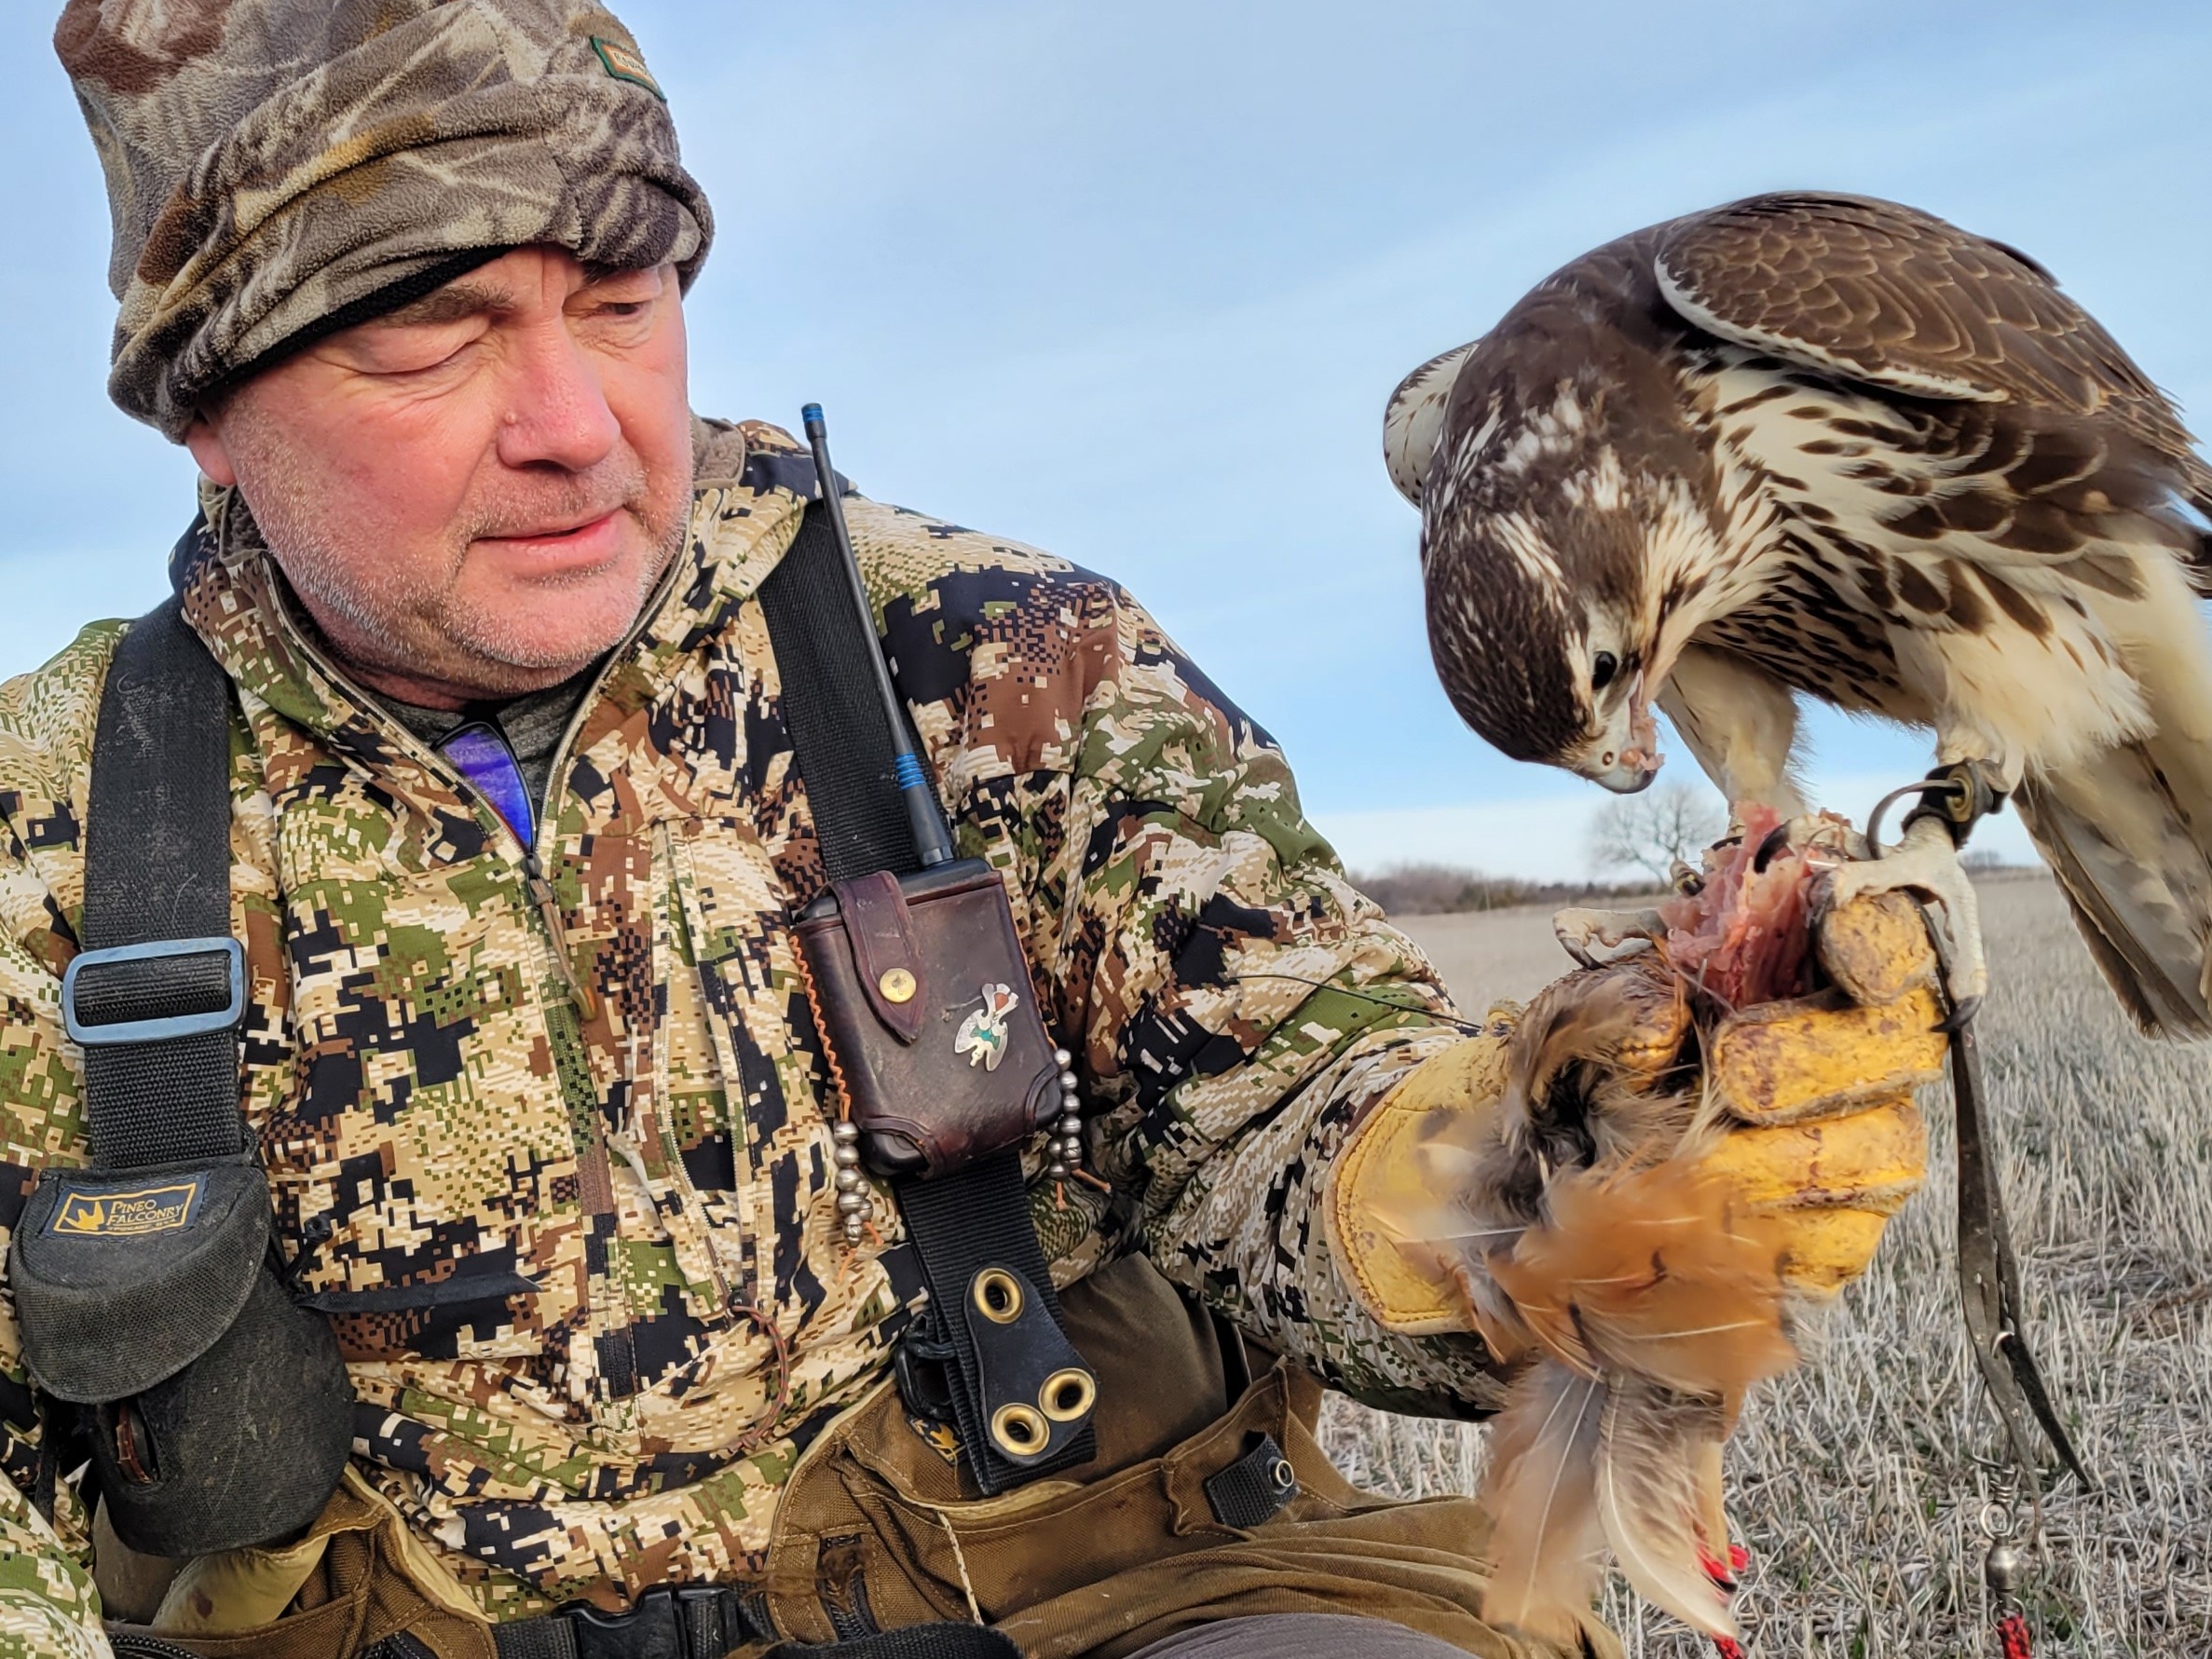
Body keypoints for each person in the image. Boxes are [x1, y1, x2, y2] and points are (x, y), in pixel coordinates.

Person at [0, 4, 1937, 1656]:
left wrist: (1582, 1158)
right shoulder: (48, 823)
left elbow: (1286, 1106)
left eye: (619, 301)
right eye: (431, 340)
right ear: (206, 409)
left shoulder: (993, 653)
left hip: (1076, 1604)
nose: (576, 425)